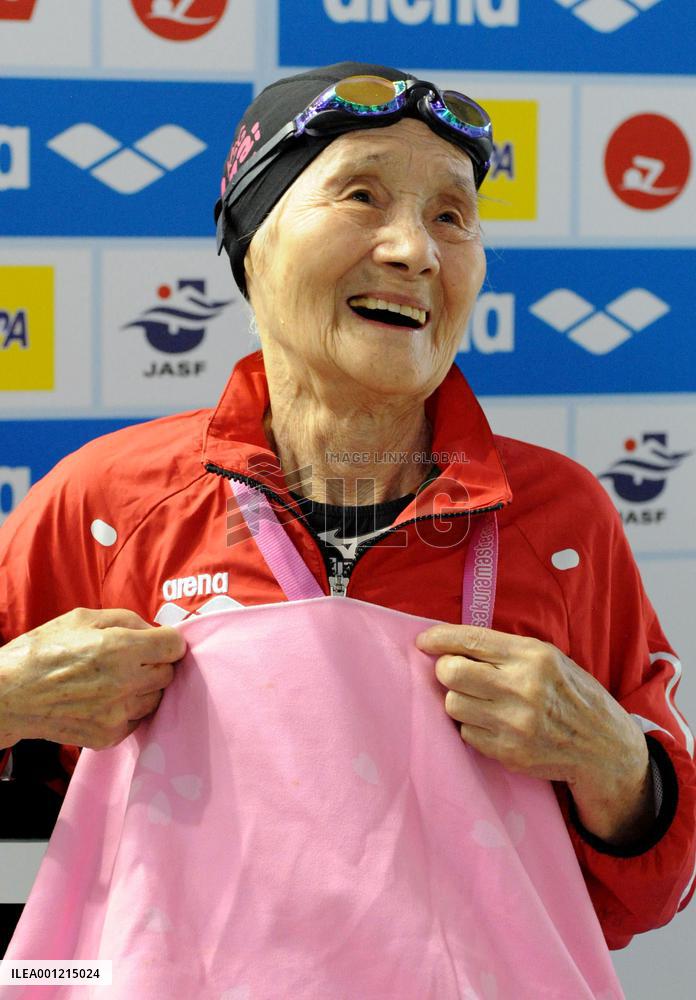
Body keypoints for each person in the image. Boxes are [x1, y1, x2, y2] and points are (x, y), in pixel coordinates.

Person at [0, 61, 694, 957]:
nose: (416, 250)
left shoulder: (560, 520)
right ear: (252, 244)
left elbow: (662, 890)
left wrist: (617, 768)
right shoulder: (108, 499)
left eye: (452, 215)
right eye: (361, 196)